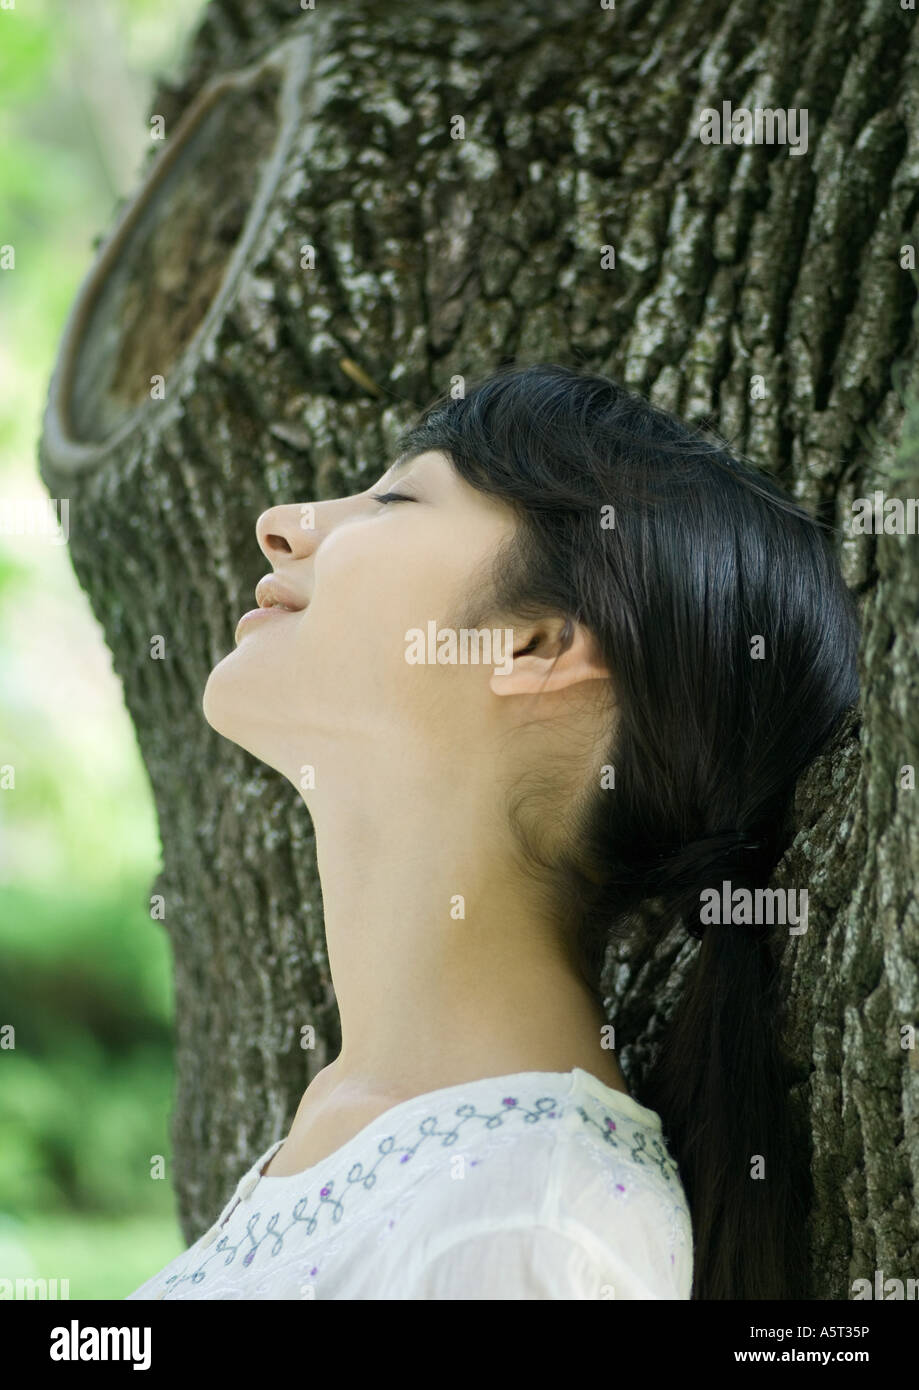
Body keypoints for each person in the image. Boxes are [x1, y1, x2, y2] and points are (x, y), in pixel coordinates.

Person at [126, 362, 859, 1300]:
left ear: (537, 643)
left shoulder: (530, 1224)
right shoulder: (360, 1134)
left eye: (393, 498)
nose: (285, 524)